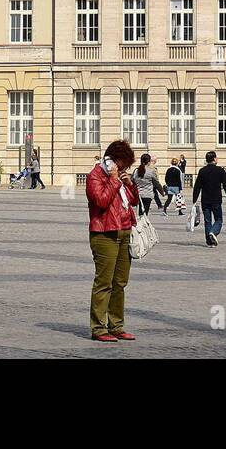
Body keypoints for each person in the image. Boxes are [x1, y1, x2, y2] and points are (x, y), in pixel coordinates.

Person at [86, 139, 139, 342]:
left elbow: (133, 201)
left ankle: (116, 325)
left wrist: (129, 183)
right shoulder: (95, 176)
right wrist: (115, 181)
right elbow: (101, 201)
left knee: (120, 283)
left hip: (124, 231)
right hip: (104, 234)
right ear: (112, 160)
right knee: (104, 283)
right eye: (123, 164)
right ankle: (98, 328)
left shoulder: (120, 177)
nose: (125, 168)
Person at [191, 150, 226, 247]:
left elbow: (197, 187)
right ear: (214, 159)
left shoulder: (202, 171)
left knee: (207, 221)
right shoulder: (220, 170)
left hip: (205, 200)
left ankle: (210, 242)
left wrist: (194, 199)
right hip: (216, 199)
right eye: (216, 157)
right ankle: (213, 232)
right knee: (218, 219)